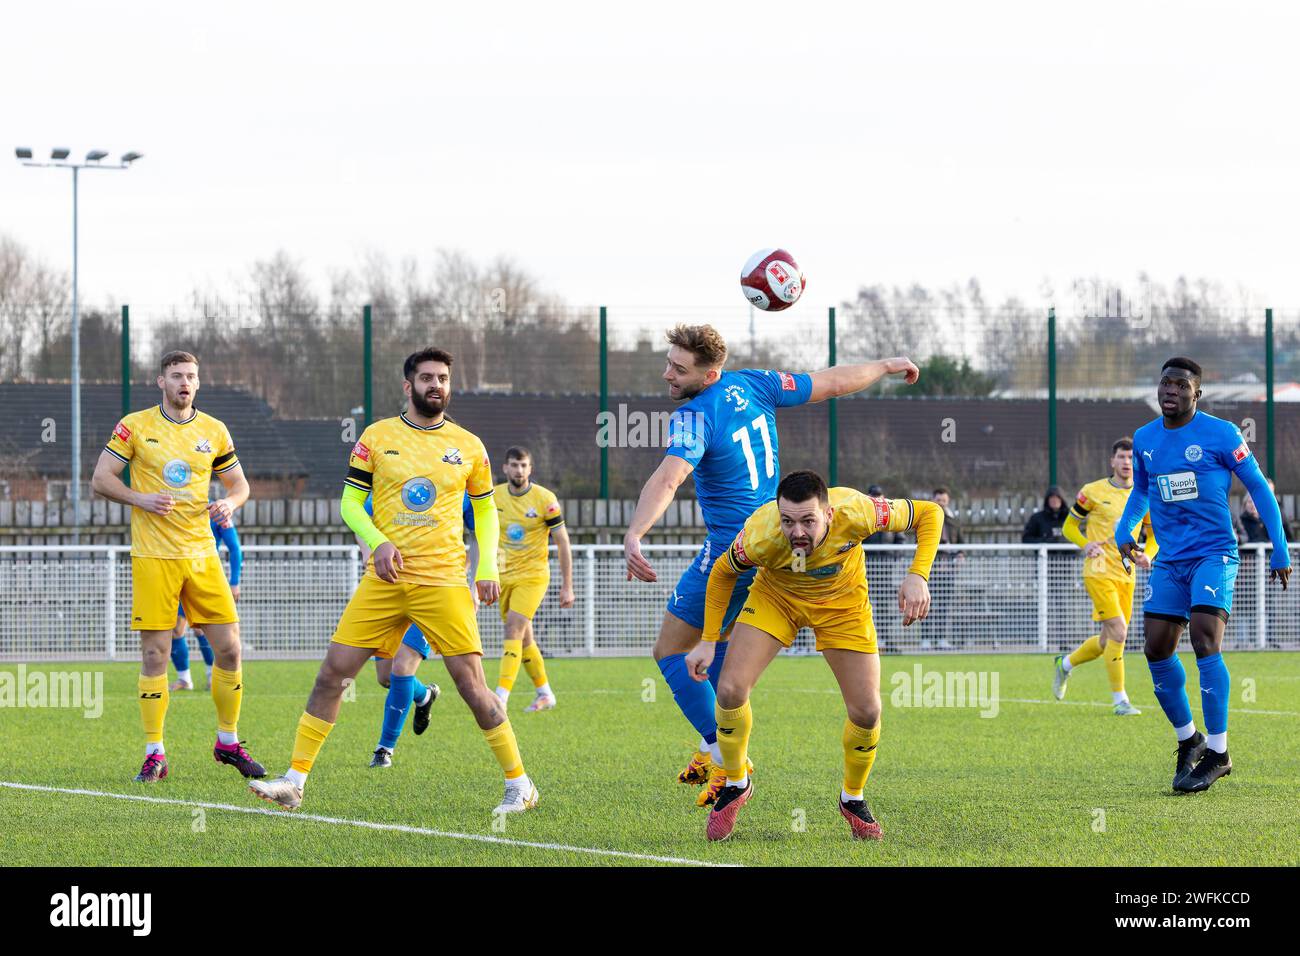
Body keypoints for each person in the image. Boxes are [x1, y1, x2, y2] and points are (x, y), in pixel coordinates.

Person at [622, 323, 919, 806]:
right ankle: (717, 746)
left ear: (710, 373)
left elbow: (669, 477)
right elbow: (830, 383)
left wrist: (636, 531)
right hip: (776, 536)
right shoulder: (754, 382)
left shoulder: (694, 417)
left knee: (671, 650)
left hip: (737, 550)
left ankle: (723, 754)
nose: (667, 375)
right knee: (714, 656)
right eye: (669, 363)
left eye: (679, 368)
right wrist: (885, 366)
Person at [249, 348, 539, 815]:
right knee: (332, 674)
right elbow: (348, 504)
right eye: (426, 378)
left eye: (443, 378)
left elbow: (484, 509)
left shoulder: (469, 445)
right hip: (383, 580)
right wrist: (377, 541)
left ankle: (520, 784)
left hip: (443, 582)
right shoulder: (375, 437)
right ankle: (295, 780)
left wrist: (487, 568)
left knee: (471, 686)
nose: (436, 386)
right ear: (408, 386)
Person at [684, 470, 941, 841]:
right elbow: (724, 571)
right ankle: (737, 783)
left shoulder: (858, 510)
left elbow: (929, 513)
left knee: (867, 711)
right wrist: (708, 640)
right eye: (788, 521)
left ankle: (852, 798)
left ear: (830, 515)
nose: (797, 532)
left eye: (808, 520)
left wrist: (919, 574)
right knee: (729, 690)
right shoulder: (762, 534)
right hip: (777, 599)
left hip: (842, 605)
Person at [1116, 358, 1290, 793]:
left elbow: (1259, 488)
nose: (1170, 391)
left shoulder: (1223, 434)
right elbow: (1141, 491)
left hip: (1215, 554)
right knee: (1156, 648)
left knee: (1204, 639)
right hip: (1170, 560)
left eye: (1180, 385)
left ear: (1197, 393)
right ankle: (1188, 739)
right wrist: (1125, 528)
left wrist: (1279, 546)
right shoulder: (1145, 439)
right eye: (1164, 384)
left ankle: (1219, 752)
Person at [91, 350, 264, 783]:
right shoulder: (135, 425)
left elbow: (241, 485)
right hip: (154, 558)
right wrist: (140, 498)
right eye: (176, 376)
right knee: (156, 654)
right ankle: (155, 753)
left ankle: (228, 742)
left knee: (230, 648)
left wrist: (229, 501)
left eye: (190, 376)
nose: (184, 382)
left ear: (198, 384)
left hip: (202, 556)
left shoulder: (214, 430)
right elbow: (101, 478)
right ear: (160, 382)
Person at [354, 492, 459, 768]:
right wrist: (371, 554)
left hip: (430, 591)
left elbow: (474, 529)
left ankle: (384, 749)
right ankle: (424, 695)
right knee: (386, 677)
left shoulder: (443, 487)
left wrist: (472, 581)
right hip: (388, 592)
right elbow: (360, 520)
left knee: (402, 668)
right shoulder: (383, 491)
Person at [1052, 438, 1156, 715]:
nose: (1125, 462)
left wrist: (1149, 553)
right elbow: (1069, 526)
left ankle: (1065, 664)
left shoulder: (1144, 494)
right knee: (1120, 632)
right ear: (1112, 461)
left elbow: (1154, 535)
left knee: (1105, 641)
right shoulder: (1093, 492)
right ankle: (1120, 700)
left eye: (1130, 457)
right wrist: (1086, 544)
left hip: (1126, 573)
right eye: (1121, 457)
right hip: (1098, 572)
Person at [493, 446, 575, 712]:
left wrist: (567, 586)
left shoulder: (544, 499)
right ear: (505, 468)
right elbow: (481, 535)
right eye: (514, 465)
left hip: (533, 576)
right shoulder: (494, 497)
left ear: (531, 469)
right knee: (525, 639)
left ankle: (500, 698)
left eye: (524, 465)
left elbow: (562, 542)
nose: (519, 470)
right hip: (503, 576)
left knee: (513, 629)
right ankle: (545, 693)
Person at [170, 513, 242, 691]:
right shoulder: (176, 506)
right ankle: (184, 679)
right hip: (177, 576)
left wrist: (234, 582)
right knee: (176, 628)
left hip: (204, 578)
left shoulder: (217, 511)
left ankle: (212, 675)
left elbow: (234, 548)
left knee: (203, 629)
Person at [922, 486, 962, 649]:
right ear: (933, 500)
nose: (942, 503)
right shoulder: (926, 518)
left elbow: (960, 541)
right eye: (939, 500)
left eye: (944, 500)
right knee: (925, 603)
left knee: (944, 604)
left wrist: (960, 553)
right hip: (930, 566)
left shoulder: (953, 520)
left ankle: (941, 638)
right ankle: (925, 638)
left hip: (948, 567)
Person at [1235, 478, 1293, 544]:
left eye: (1271, 492)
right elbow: (1242, 537)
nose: (1253, 505)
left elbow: (1288, 535)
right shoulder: (1241, 520)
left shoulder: (1277, 513)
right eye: (1250, 502)